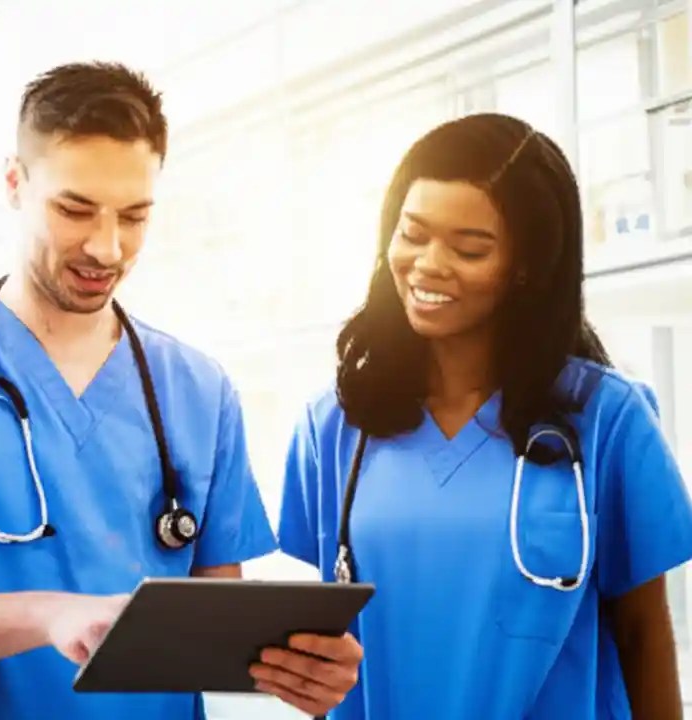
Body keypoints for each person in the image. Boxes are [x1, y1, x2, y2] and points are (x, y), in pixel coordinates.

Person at [0, 60, 363, 720]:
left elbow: (214, 622)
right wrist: (51, 615)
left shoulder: (197, 389)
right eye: (74, 210)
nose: (107, 249)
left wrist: (301, 666)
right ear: (15, 184)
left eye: (134, 217)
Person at [276, 112, 692, 718]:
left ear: (526, 265)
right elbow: (326, 658)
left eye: (469, 248)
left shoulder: (606, 420)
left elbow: (643, 634)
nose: (428, 264)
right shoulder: (334, 428)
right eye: (412, 234)